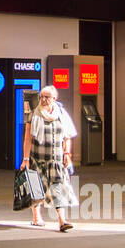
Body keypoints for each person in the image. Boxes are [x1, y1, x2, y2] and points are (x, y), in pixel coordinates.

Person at [21, 85, 79, 232]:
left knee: (57, 188)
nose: (44, 100)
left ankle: (62, 220)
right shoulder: (34, 114)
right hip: (37, 158)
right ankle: (36, 216)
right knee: (36, 189)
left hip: (56, 159)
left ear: (54, 99)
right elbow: (27, 138)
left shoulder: (61, 114)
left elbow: (67, 136)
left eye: (47, 97)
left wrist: (67, 154)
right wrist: (25, 159)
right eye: (42, 97)